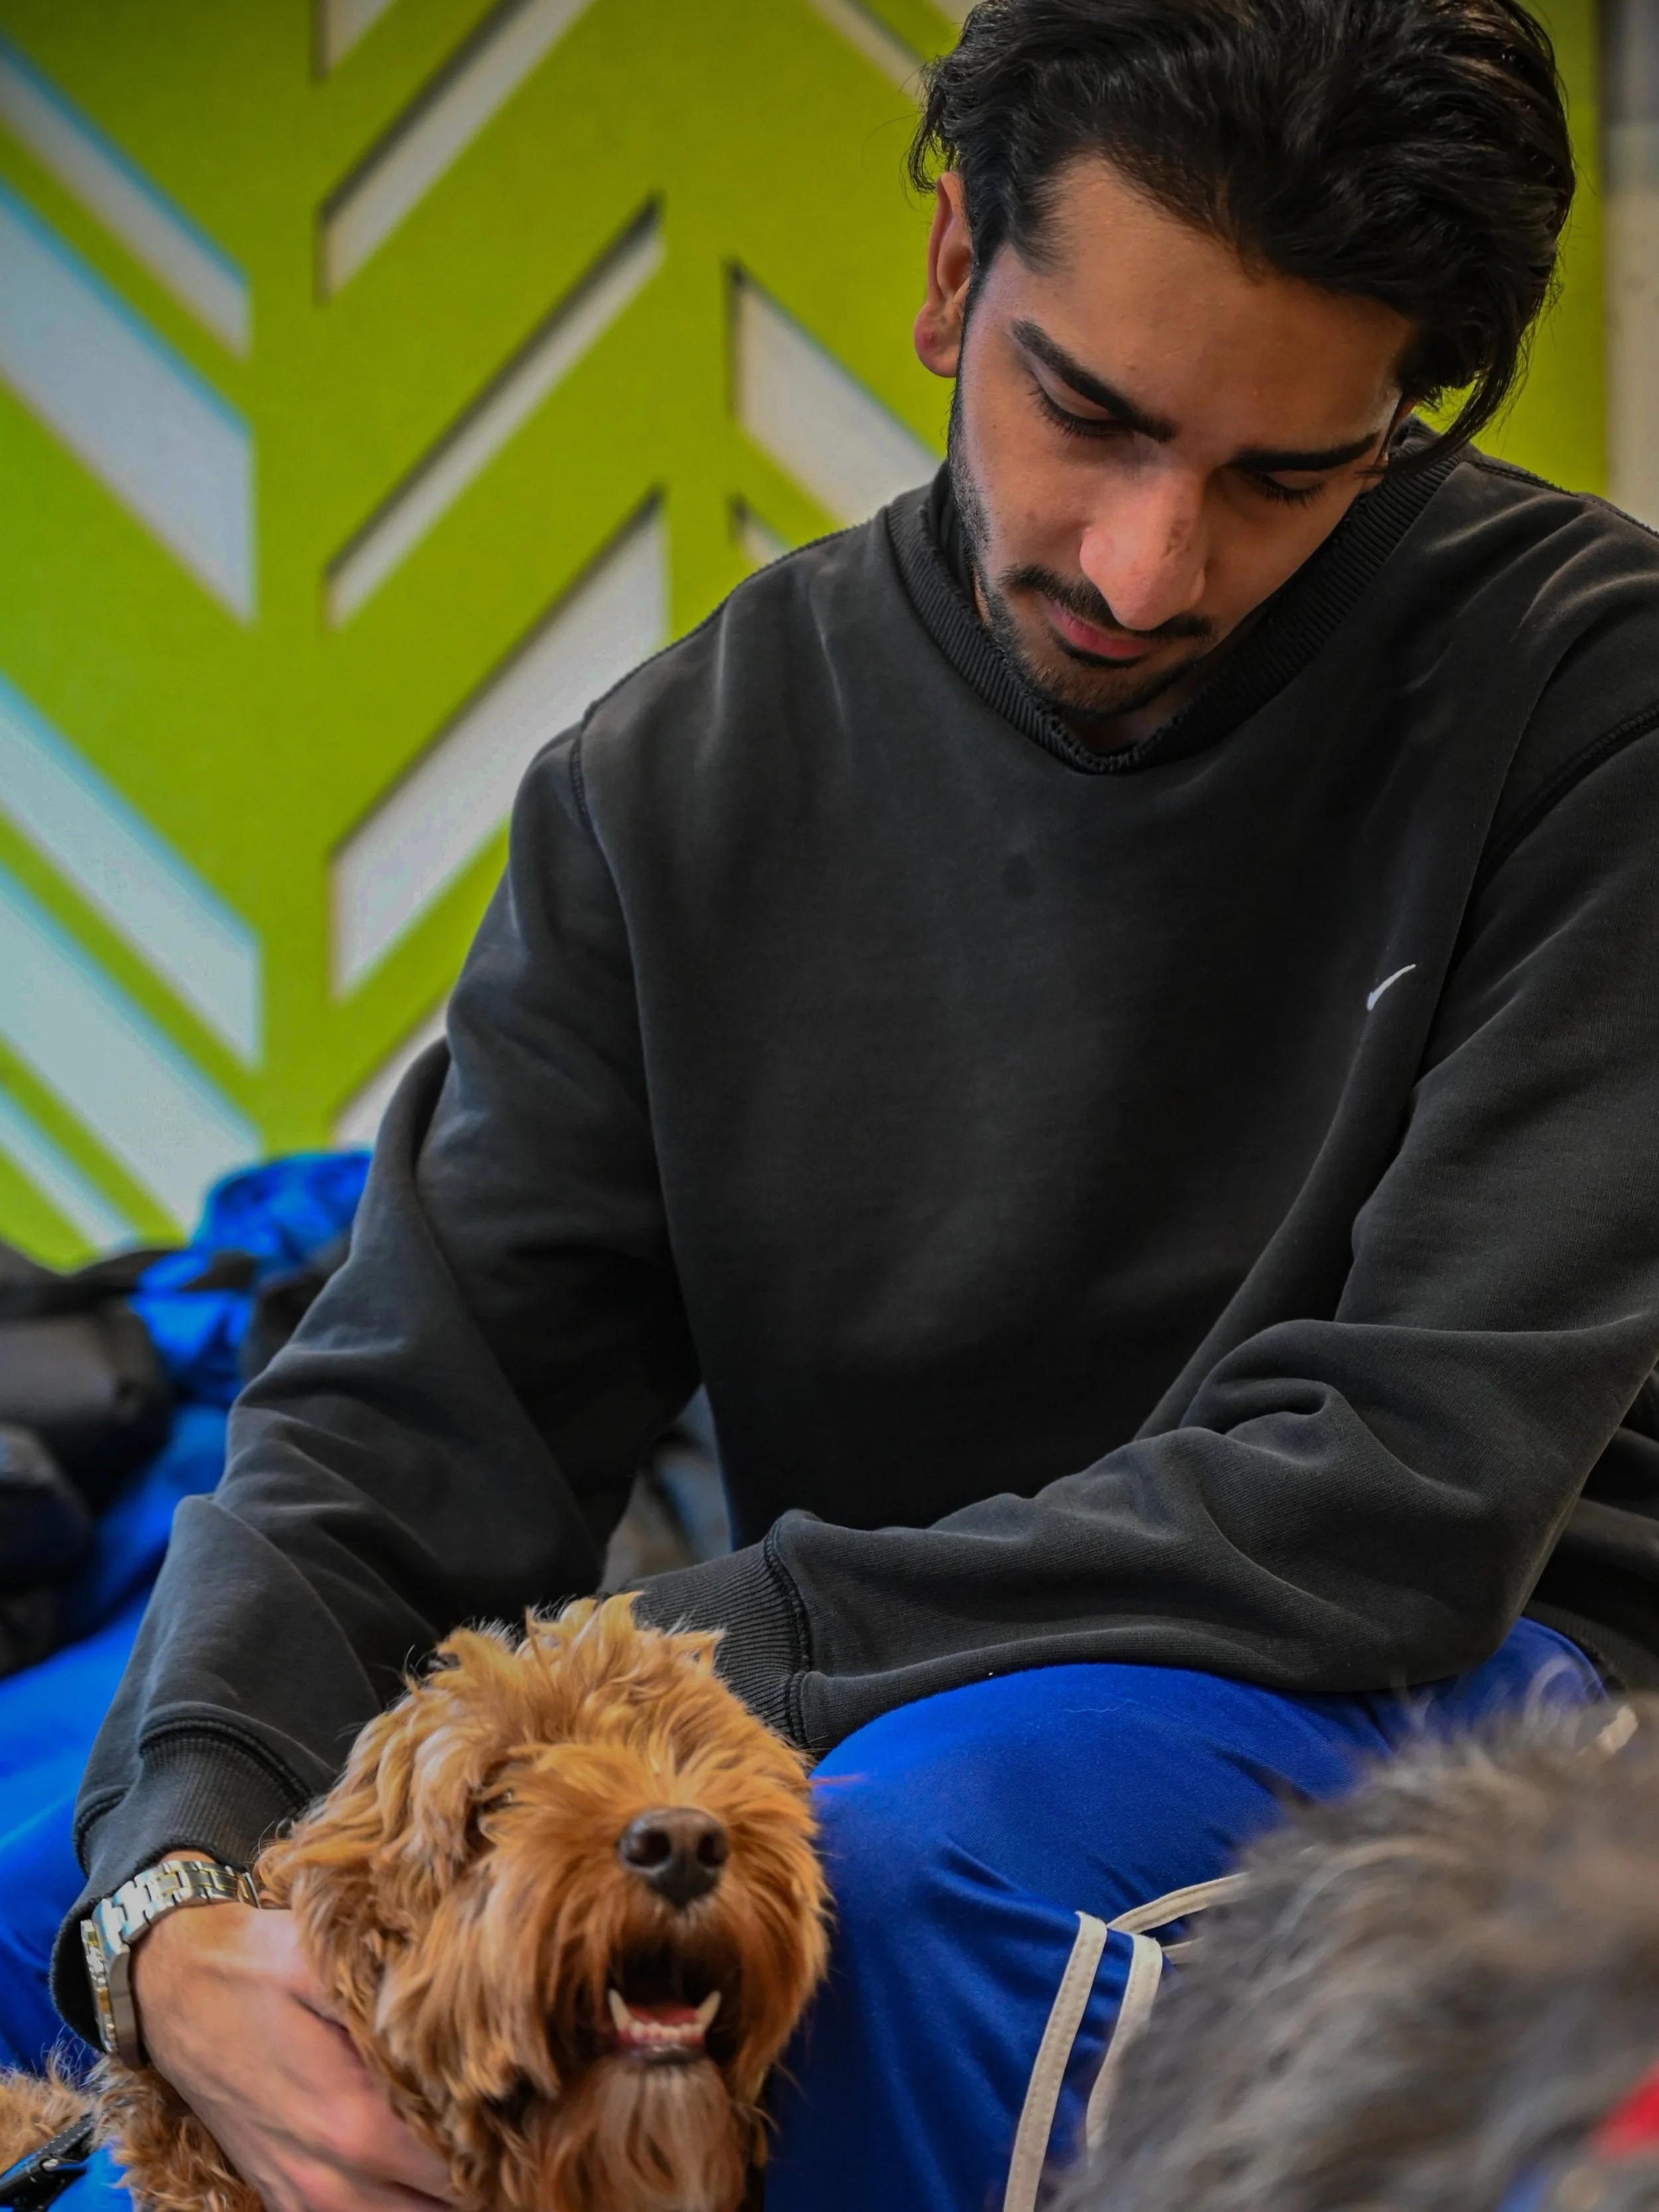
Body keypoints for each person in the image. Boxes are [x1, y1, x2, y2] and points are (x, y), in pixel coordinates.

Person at [42, 1, 1659, 2206]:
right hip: (886, 1680)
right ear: (947, 268)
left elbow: (1398, 1497)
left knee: (899, 1885)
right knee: (84, 1820)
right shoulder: (667, 787)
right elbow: (403, 1425)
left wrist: (651, 1674)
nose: (1140, 564)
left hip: (1484, 1666)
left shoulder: (1597, 704)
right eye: (1083, 413)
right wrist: (172, 1901)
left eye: (1287, 475)